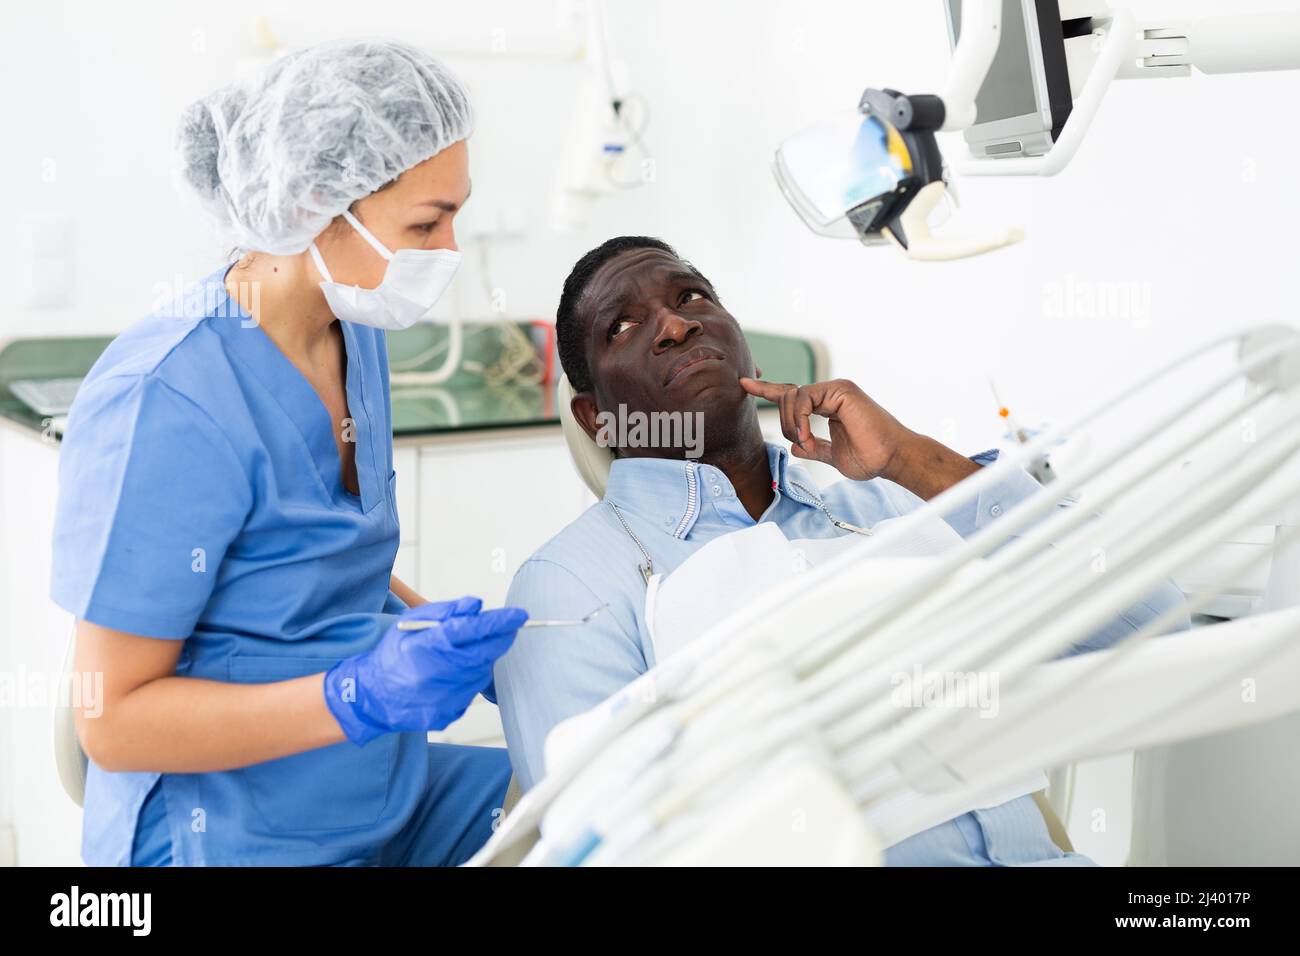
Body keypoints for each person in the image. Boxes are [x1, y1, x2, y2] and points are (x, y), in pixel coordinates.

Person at [492, 235, 1189, 866]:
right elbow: (606, 851)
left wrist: (914, 461)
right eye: (624, 325)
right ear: (595, 417)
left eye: (693, 297)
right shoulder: (570, 587)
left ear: (749, 349)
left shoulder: (887, 507)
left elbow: (1153, 628)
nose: (677, 324)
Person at [50, 40, 528, 867]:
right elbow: (111, 719)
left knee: (595, 803)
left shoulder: (355, 330)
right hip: (229, 833)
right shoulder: (168, 397)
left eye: (455, 213)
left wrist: (429, 630)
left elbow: (315, 555)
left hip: (375, 786)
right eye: (425, 222)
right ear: (317, 198)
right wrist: (359, 695)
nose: (448, 249)